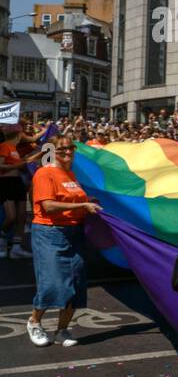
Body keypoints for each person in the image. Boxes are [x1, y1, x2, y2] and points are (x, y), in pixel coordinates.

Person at [27, 138, 102, 347]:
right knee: (53, 282)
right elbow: (49, 206)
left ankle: (62, 330)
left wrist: (89, 203)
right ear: (52, 151)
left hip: (74, 231)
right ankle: (34, 321)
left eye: (70, 148)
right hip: (50, 232)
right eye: (61, 148)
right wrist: (82, 204)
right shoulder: (45, 173)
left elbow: (73, 201)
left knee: (76, 283)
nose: (67, 152)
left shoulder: (71, 174)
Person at [0, 126, 39, 259]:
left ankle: (17, 248)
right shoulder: (4, 146)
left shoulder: (14, 149)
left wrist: (28, 161)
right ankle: (1, 239)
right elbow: (1, 166)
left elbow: (21, 164)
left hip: (17, 183)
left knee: (22, 216)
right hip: (6, 183)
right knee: (11, 217)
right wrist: (19, 165)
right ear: (18, 135)